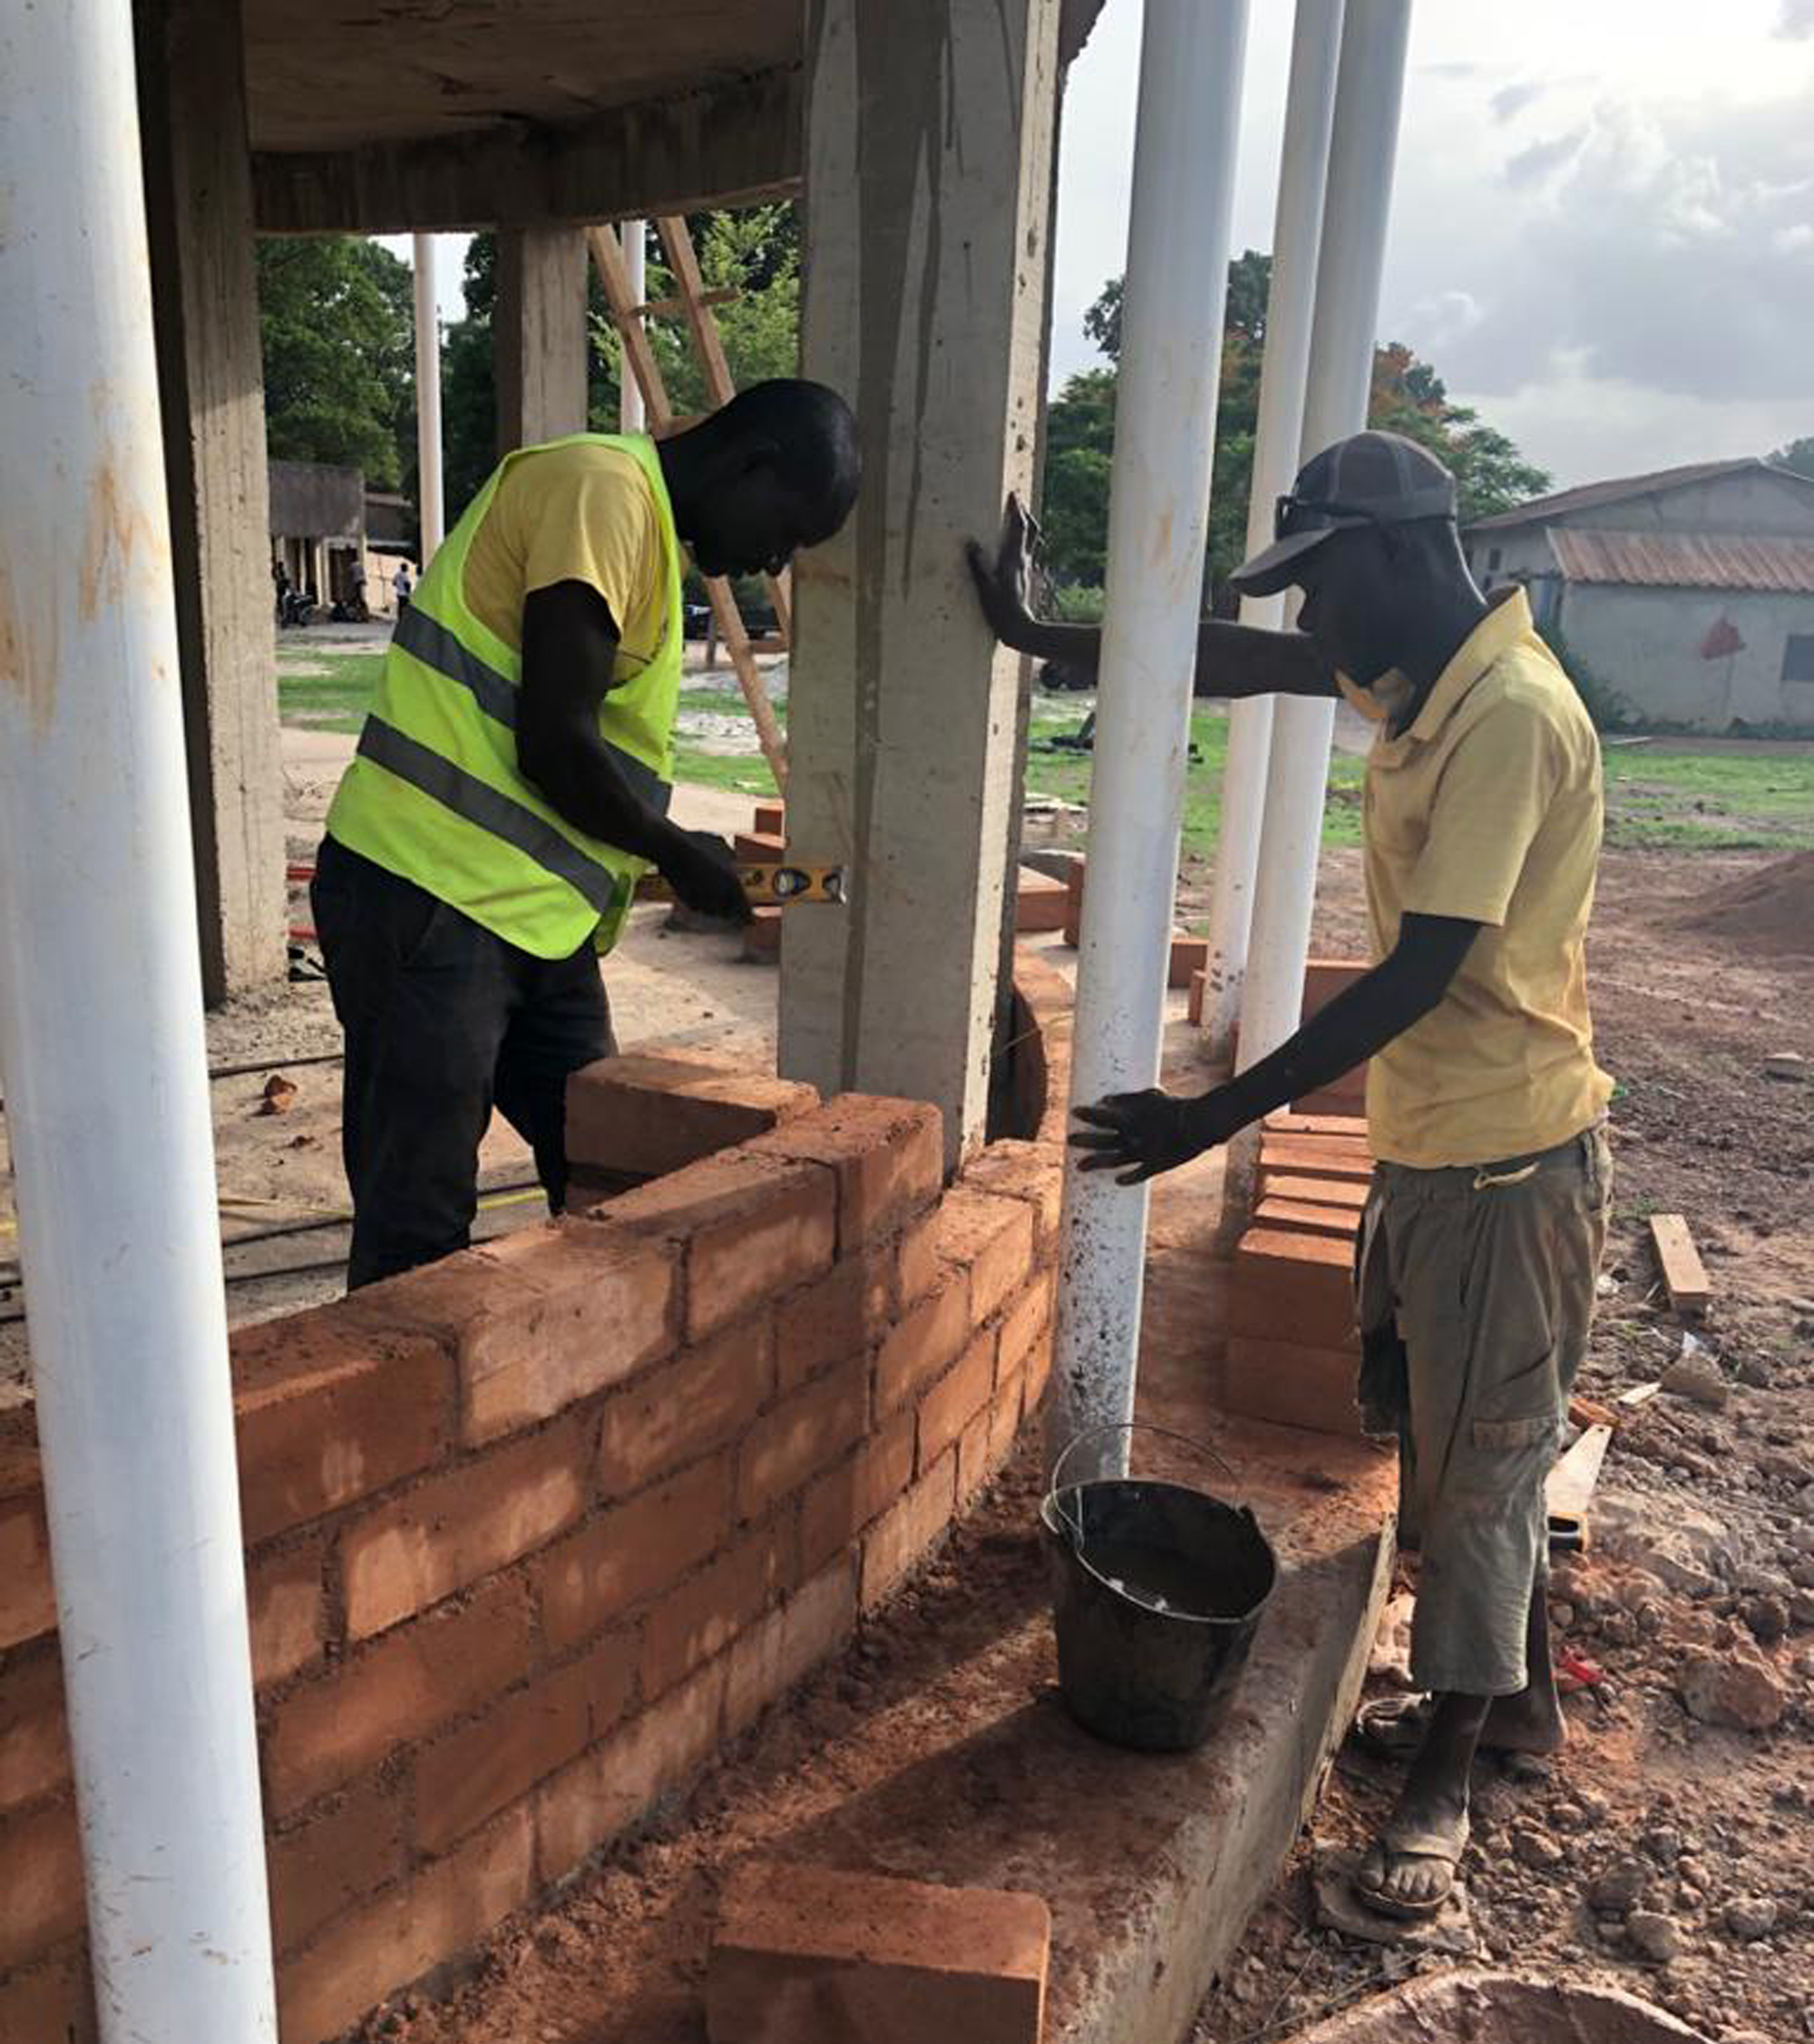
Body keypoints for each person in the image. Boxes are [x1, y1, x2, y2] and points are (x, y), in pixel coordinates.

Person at [973, 432, 1613, 1922]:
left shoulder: (1508, 714)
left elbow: (1417, 975)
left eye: (1319, 591)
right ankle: (1510, 1699)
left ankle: (1447, 1776)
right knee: (1443, 1438)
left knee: (1488, 1463)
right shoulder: (1427, 671)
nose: (1310, 628)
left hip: (1508, 1166)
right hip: (1443, 1149)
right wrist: (1046, 638)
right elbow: (1228, 662)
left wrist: (1213, 1116)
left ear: (1391, 557)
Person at [314, 379, 861, 1289]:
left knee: (606, 1162)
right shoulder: (602, 488)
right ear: (750, 462)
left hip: (533, 922)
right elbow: (554, 743)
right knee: (417, 1227)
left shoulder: (643, 533)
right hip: (427, 896)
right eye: (787, 530)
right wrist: (677, 850)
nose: (775, 557)